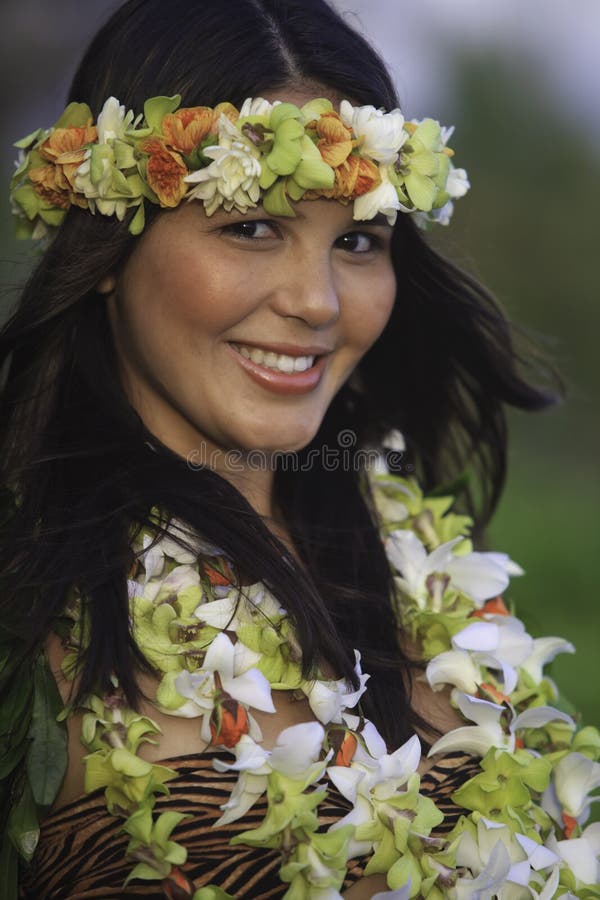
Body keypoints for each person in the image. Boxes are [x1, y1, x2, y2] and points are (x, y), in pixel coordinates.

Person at [1, 0, 598, 897]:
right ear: (111, 244)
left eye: (358, 240)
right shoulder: (23, 598)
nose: (318, 300)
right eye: (251, 226)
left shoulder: (421, 562)